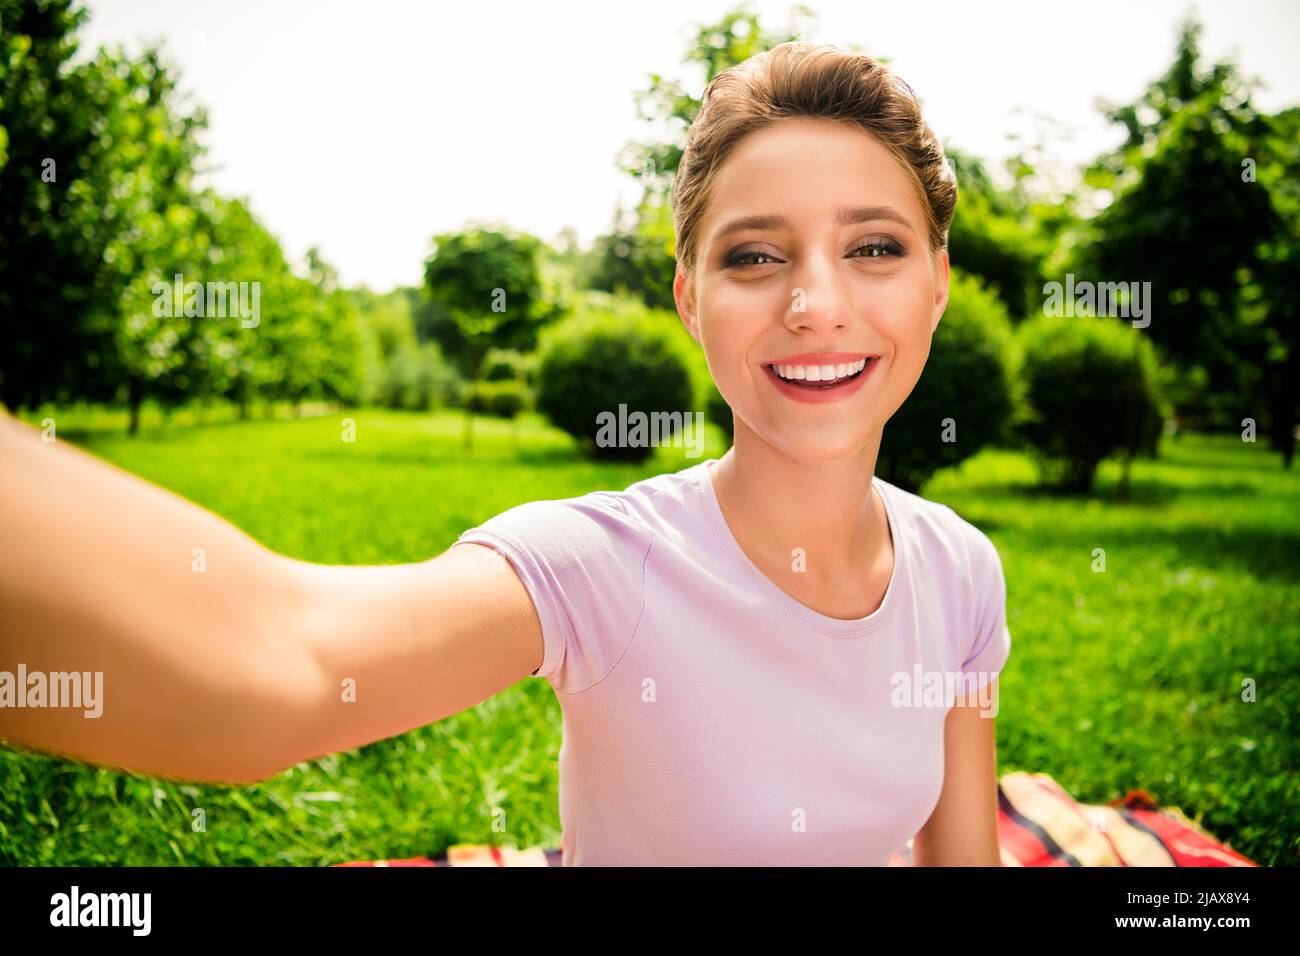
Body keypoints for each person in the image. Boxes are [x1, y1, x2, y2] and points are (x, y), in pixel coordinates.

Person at [0, 40, 1010, 866]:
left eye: (874, 246)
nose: (816, 305)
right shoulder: (601, 563)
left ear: (935, 283)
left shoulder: (960, 568)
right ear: (690, 299)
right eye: (753, 254)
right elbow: (284, 659)